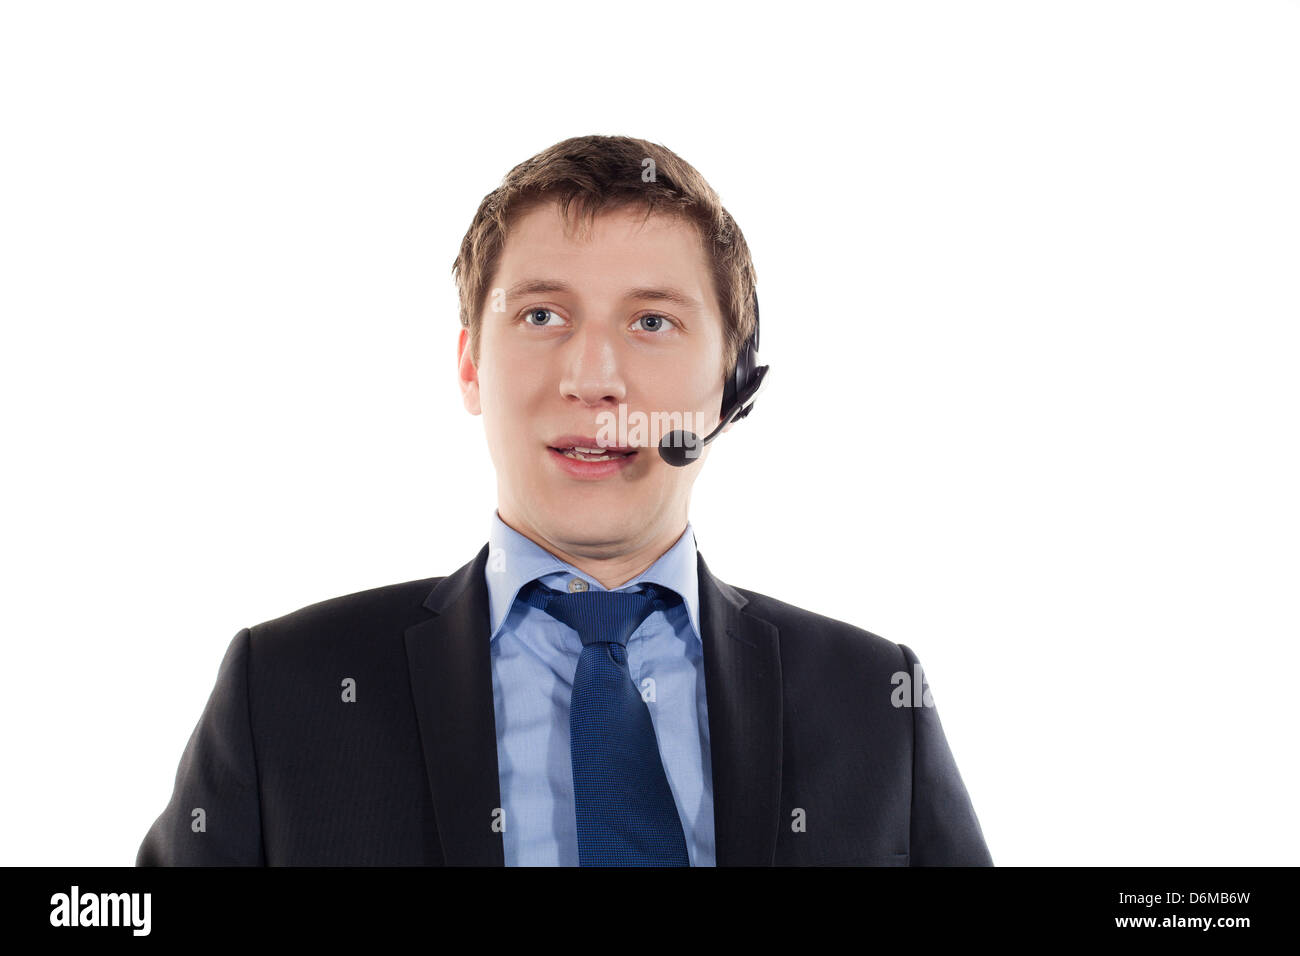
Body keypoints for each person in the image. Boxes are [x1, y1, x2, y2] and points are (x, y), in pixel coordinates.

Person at [136, 134, 992, 866]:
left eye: (651, 321)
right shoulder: (286, 689)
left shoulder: (877, 701)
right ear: (471, 366)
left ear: (729, 388)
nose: (593, 379)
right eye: (543, 316)